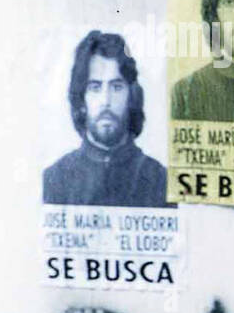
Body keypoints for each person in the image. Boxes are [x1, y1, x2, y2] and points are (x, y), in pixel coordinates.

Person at [43, 31, 172, 208]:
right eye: (95, 87)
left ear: (131, 96)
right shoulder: (55, 180)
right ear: (81, 99)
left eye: (116, 87)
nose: (106, 101)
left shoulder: (160, 181)